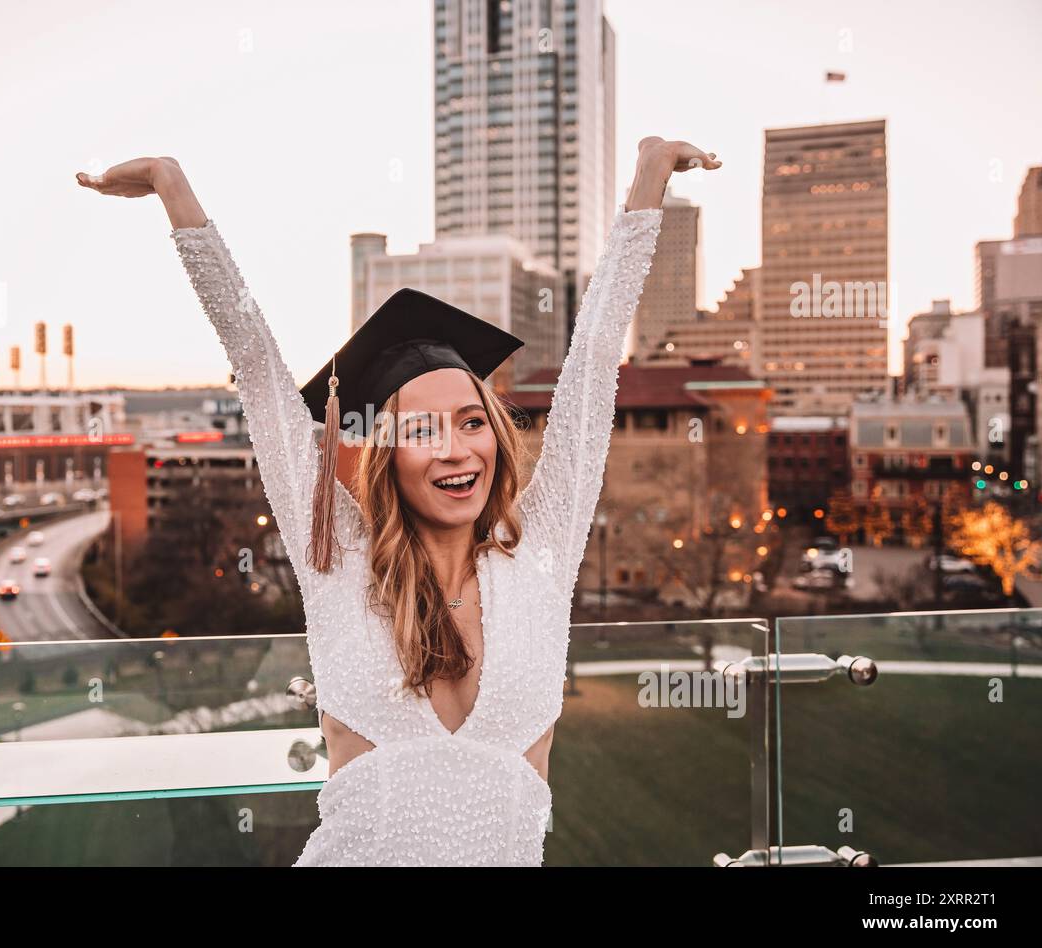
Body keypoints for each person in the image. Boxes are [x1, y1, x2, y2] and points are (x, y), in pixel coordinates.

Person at [77, 137, 721, 865]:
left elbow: (596, 362)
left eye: (473, 421)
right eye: (423, 429)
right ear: (386, 453)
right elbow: (256, 366)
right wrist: (173, 188)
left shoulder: (542, 551)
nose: (457, 448)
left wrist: (647, 178)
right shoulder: (337, 559)